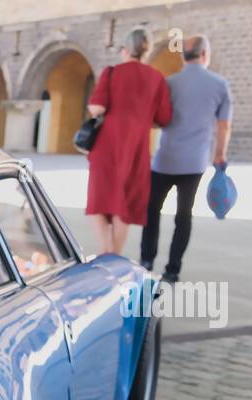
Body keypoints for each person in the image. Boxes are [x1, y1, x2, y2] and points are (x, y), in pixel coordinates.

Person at [141, 35, 233, 282]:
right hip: (194, 162)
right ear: (204, 55)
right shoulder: (219, 84)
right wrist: (220, 155)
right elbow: (224, 126)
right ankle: (173, 269)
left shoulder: (169, 83)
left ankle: (146, 261)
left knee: (152, 211)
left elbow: (153, 120)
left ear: (183, 56)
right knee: (184, 215)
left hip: (164, 160)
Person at [85, 28, 172, 256]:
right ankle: (114, 257)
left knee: (98, 201)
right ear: (147, 50)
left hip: (107, 147)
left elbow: (97, 108)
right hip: (137, 150)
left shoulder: (112, 72)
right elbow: (163, 118)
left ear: (126, 49)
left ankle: (105, 252)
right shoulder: (157, 78)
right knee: (123, 205)